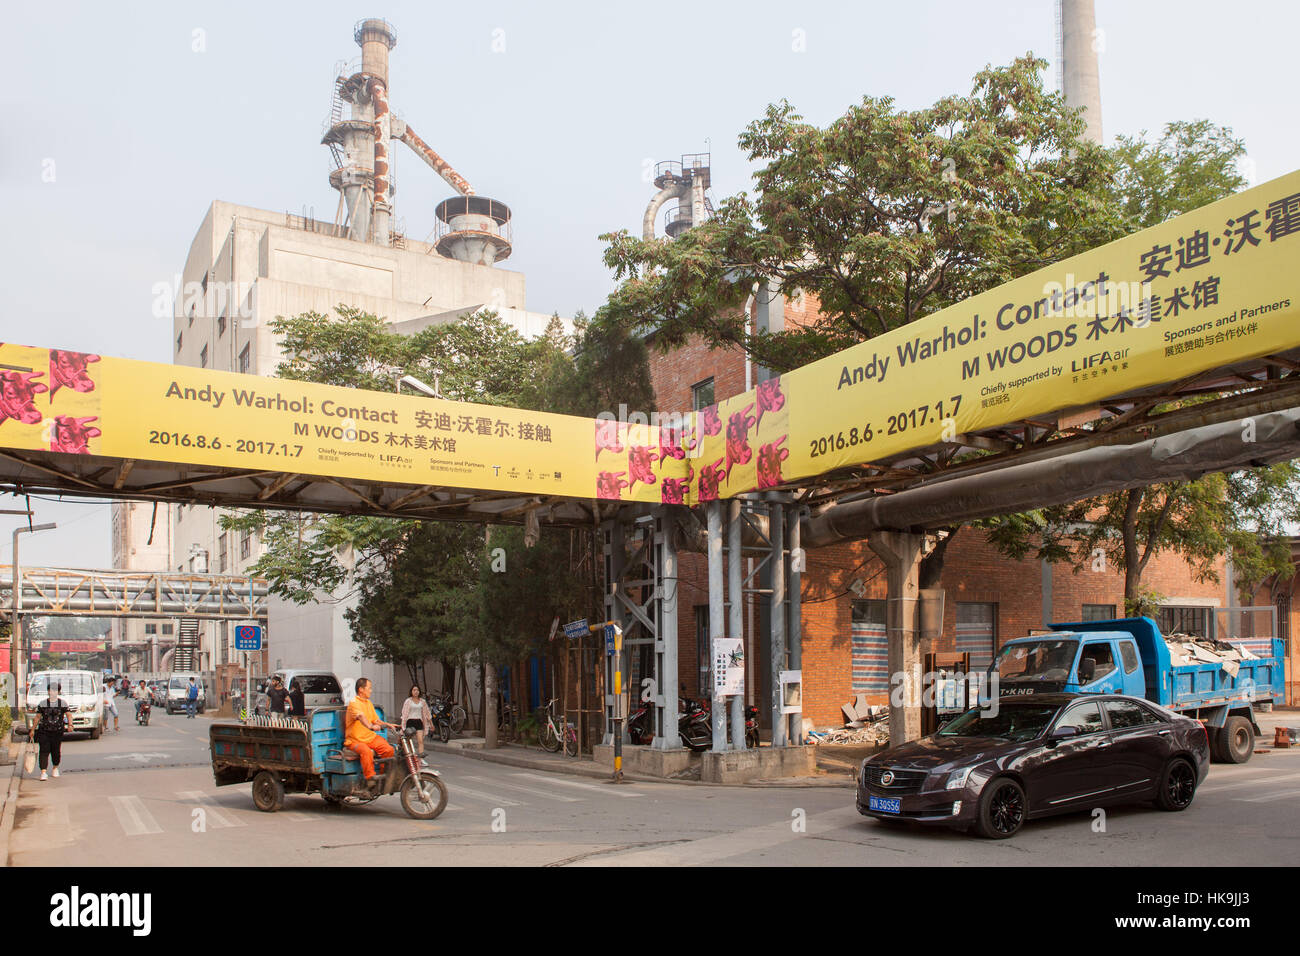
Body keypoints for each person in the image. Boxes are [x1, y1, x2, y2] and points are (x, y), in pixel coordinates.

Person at [344, 677, 398, 785]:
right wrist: (370, 726)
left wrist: (388, 725)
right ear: (361, 689)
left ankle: (384, 777)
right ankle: (370, 779)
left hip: (370, 738)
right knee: (366, 751)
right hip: (355, 741)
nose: (371, 690)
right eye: (369, 688)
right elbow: (361, 716)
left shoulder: (368, 703)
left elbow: (376, 720)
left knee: (388, 749)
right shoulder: (354, 703)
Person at [30, 681, 73, 780]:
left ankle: (55, 768)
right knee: (44, 750)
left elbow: (68, 714)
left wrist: (70, 724)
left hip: (57, 731)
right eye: (51, 690)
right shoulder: (43, 703)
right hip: (44, 731)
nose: (53, 692)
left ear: (58, 692)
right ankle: (43, 771)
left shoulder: (62, 703)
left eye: (55, 690)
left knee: (56, 750)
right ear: (48, 691)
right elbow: (37, 717)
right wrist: (32, 729)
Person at [401, 685, 433, 762]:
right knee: (409, 741)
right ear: (411, 692)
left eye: (417, 690)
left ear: (419, 692)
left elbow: (427, 713)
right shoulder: (408, 701)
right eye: (414, 690)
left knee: (420, 740)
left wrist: (431, 724)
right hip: (410, 722)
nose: (416, 692)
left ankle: (421, 758)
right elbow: (404, 713)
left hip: (419, 722)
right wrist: (403, 725)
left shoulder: (422, 702)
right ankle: (410, 758)